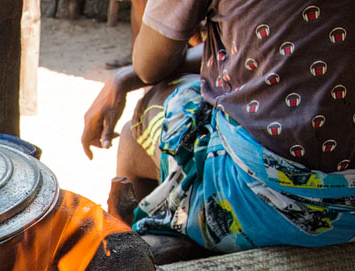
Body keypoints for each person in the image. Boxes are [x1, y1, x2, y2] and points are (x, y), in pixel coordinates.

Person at [82, 1, 355, 253]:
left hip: (256, 201)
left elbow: (149, 66)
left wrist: (124, 77)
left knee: (147, 114)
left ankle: (131, 254)